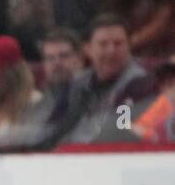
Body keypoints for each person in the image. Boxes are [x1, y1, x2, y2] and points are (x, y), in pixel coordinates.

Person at [57, 14, 154, 143]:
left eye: (118, 44)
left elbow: (121, 132)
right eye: (103, 44)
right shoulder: (76, 84)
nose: (111, 51)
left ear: (129, 47)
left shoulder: (142, 84)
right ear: (88, 49)